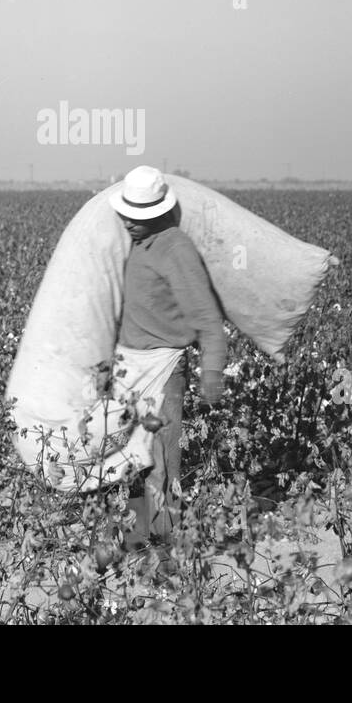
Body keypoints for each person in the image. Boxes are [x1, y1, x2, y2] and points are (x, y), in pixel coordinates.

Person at [109, 166, 227, 543]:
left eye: (137, 216)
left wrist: (212, 371)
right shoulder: (135, 242)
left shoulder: (176, 249)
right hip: (128, 368)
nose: (129, 221)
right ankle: (136, 537)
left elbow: (207, 316)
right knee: (129, 461)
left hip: (162, 370)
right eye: (127, 214)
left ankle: (164, 550)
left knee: (160, 464)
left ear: (158, 212)